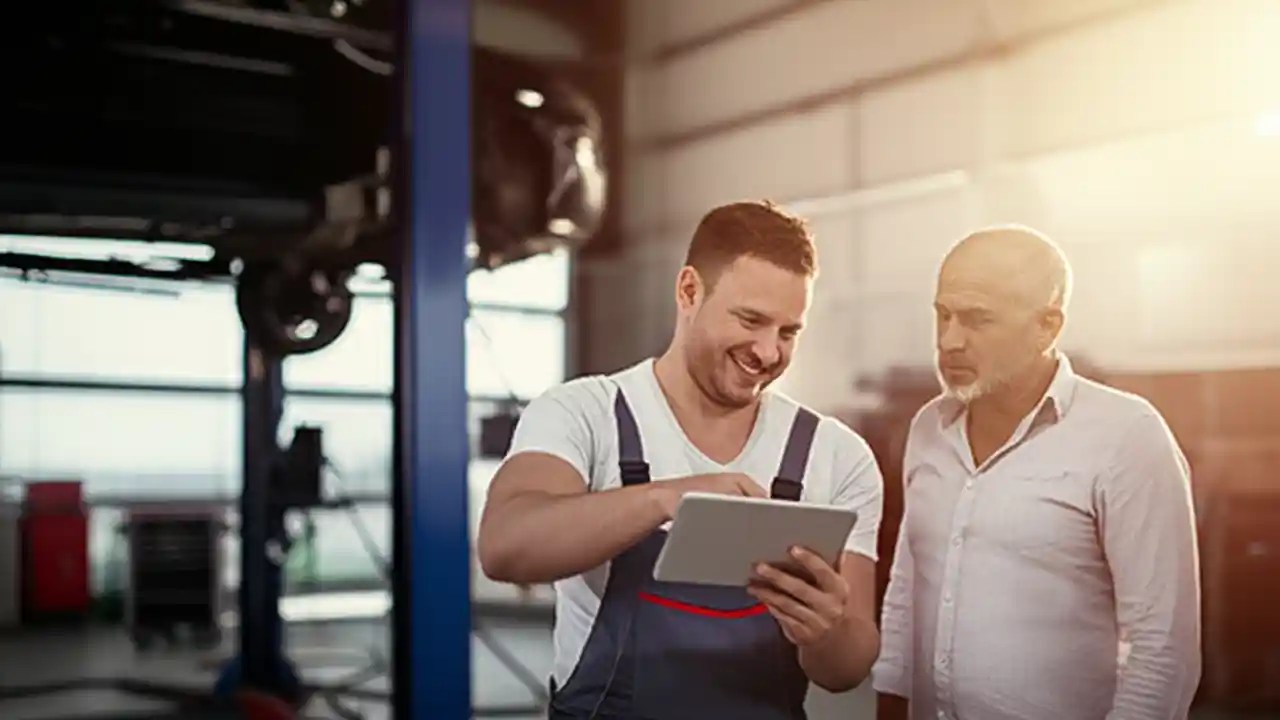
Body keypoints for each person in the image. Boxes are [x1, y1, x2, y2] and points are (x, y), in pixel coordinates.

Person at [478, 200, 884, 719]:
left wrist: (825, 632)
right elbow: (504, 548)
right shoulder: (584, 413)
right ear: (689, 290)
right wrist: (665, 499)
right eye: (751, 320)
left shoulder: (836, 455)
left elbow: (847, 667)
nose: (767, 351)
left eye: (788, 332)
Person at [873, 226, 1202, 720]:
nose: (949, 340)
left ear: (1047, 326)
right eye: (942, 315)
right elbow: (907, 587)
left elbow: (1162, 644)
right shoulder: (928, 429)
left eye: (977, 320)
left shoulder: (1127, 436)